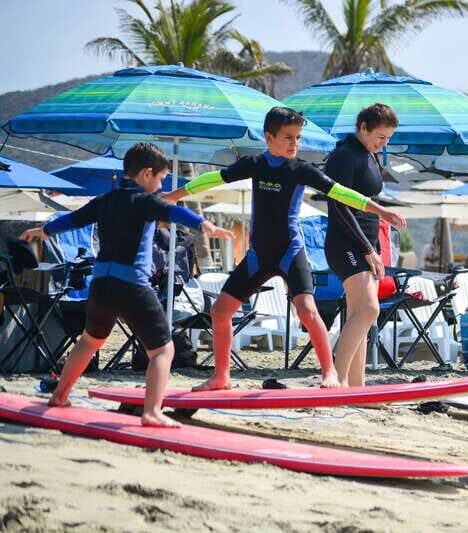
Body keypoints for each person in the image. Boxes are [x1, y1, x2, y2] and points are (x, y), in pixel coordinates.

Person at [163, 107, 405, 391]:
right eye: (288, 137)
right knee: (220, 311)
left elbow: (341, 193)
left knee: (306, 310)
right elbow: (212, 180)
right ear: (268, 137)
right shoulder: (253, 164)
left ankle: (329, 373)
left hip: (290, 252)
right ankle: (221, 376)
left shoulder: (301, 169)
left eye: (299, 138)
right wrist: (172, 196)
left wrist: (381, 211)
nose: (295, 144)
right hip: (259, 255)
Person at [20, 142, 234, 427]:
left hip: (101, 285)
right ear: (146, 174)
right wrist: (205, 225)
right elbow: (175, 213)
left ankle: (60, 395)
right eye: (159, 179)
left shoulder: (104, 200)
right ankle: (152, 412)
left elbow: (73, 219)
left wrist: (43, 230)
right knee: (162, 351)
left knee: (90, 340)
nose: (160, 186)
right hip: (131, 285)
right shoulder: (145, 201)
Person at [324, 103, 404, 387]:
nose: (384, 143)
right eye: (381, 137)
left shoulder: (368, 155)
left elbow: (369, 204)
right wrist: (367, 248)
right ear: (363, 128)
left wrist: (376, 244)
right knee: (369, 310)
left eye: (388, 138)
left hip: (364, 242)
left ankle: (357, 387)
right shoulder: (345, 156)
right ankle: (337, 380)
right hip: (346, 242)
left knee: (361, 313)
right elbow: (339, 206)